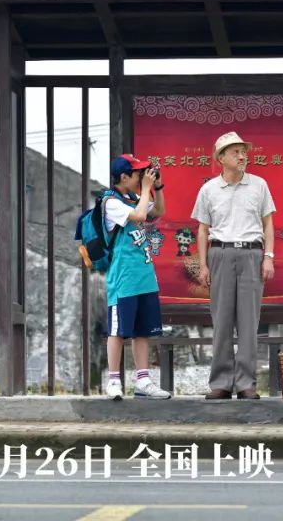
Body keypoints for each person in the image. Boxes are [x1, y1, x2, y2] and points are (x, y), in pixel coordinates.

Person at [192, 131, 276, 400]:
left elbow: (268, 224)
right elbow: (202, 230)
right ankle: (221, 382)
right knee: (222, 320)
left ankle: (246, 383)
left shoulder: (259, 185)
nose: (242, 157)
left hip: (252, 255)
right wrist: (203, 265)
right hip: (221, 254)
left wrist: (269, 256)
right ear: (221, 158)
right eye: (236, 152)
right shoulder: (208, 190)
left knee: (249, 323)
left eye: (244, 152)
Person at [103, 153, 172, 400]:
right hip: (123, 279)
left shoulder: (134, 198)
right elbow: (141, 216)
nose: (143, 177)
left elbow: (159, 211)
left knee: (142, 330)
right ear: (124, 177)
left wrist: (158, 187)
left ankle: (143, 380)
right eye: (138, 173)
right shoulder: (110, 202)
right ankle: (113, 380)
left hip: (144, 276)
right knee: (118, 330)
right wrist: (146, 189)